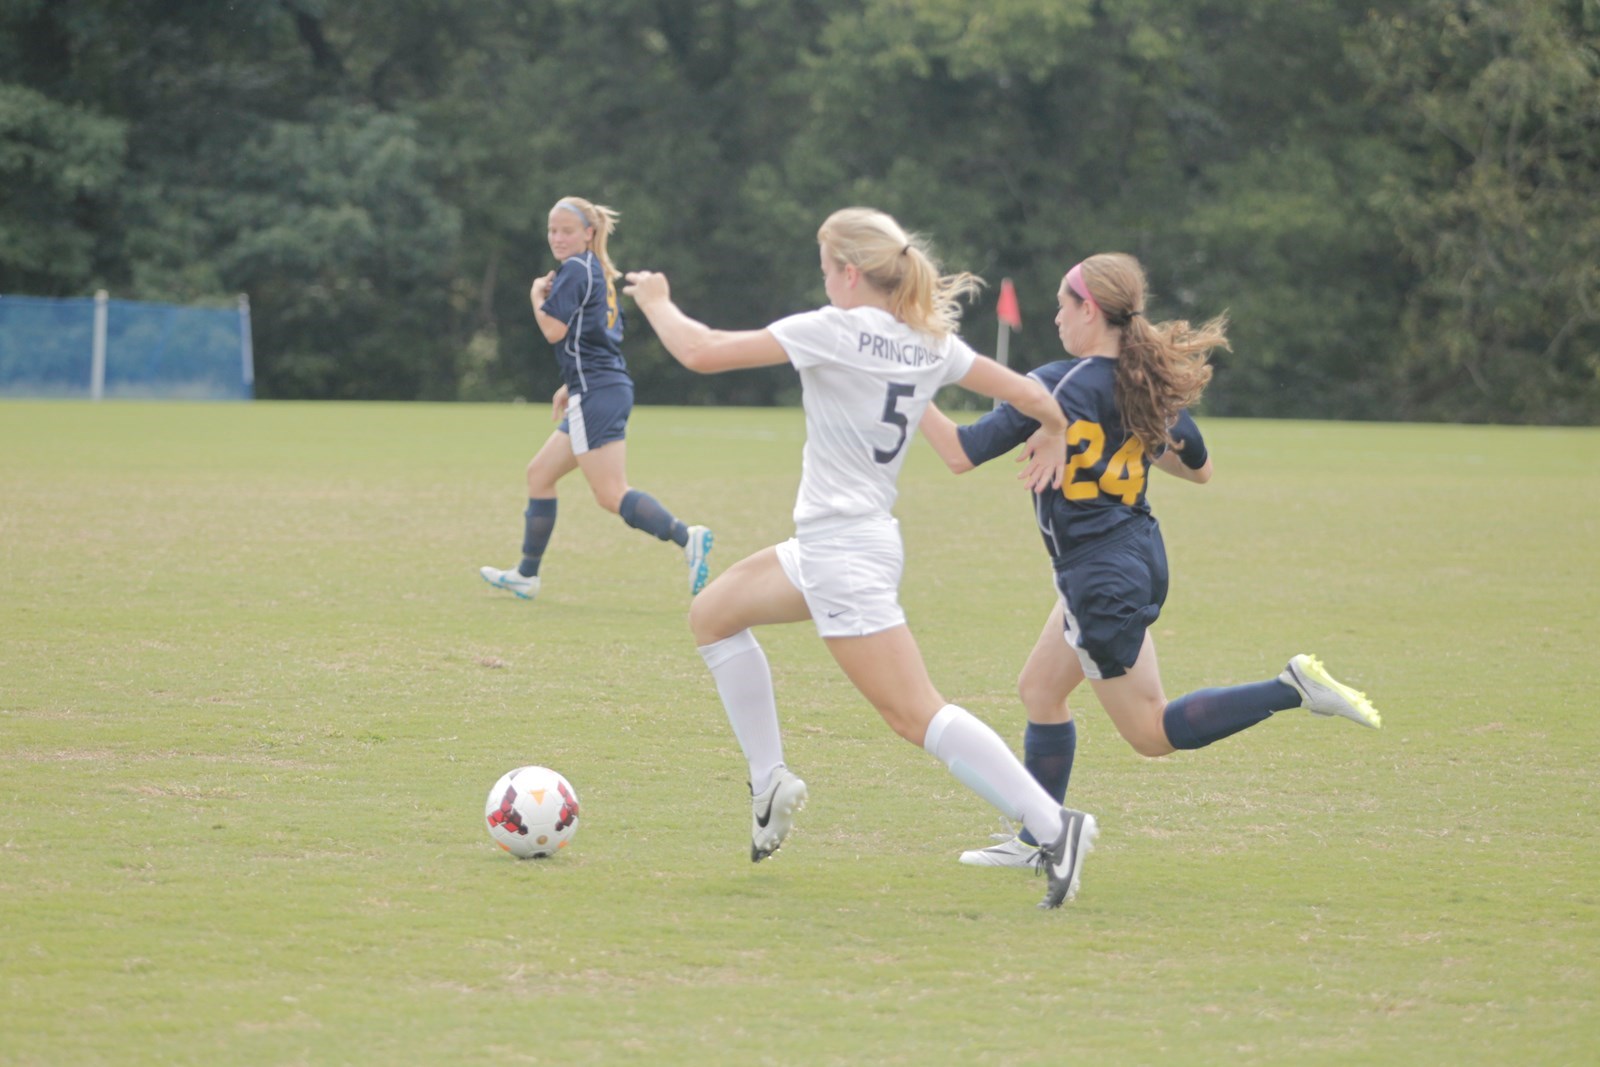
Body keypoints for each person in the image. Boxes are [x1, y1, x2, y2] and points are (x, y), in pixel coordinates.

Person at [623, 207, 1098, 909]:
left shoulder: (836, 328)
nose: (824, 283)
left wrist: (657, 302)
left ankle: (1053, 824)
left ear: (848, 272)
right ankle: (770, 782)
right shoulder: (928, 341)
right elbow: (1030, 393)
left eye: (825, 270)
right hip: (840, 542)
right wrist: (1053, 431)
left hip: (844, 553)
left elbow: (701, 351)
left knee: (916, 715)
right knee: (713, 615)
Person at [919, 252, 1382, 870]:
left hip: (1098, 577)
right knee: (1039, 690)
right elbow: (1201, 470)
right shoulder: (1143, 385)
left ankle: (1289, 688)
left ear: (1091, 310)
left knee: (1149, 732)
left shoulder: (1054, 384)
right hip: (1133, 554)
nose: (1056, 317)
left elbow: (957, 453)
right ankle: (1037, 839)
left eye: (1063, 304)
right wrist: (1119, 439)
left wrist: (902, 390)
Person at [479, 196, 714, 602]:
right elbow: (597, 340)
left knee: (610, 494)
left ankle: (685, 536)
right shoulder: (596, 272)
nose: (557, 237)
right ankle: (526, 575)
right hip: (598, 388)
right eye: (552, 230)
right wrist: (571, 383)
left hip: (597, 394)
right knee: (540, 475)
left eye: (566, 230)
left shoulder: (575, 269)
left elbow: (553, 329)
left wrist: (536, 295)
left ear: (588, 233)